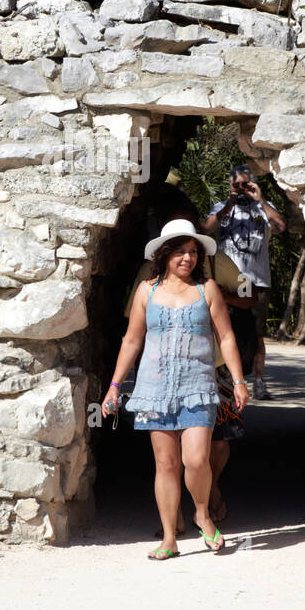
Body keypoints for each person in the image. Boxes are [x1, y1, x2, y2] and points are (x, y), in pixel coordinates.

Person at [104, 219, 249, 559]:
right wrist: (114, 386)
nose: (188, 258)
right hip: (154, 389)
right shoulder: (146, 290)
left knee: (197, 459)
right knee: (166, 464)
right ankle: (169, 538)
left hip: (198, 386)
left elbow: (226, 337)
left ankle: (201, 512)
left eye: (193, 252)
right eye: (181, 252)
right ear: (165, 254)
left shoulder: (207, 289)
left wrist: (239, 381)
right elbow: (132, 339)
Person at [203, 164, 286, 399]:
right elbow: (205, 229)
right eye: (236, 185)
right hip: (227, 281)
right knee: (220, 329)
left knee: (256, 334)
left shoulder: (264, 208)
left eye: (245, 185)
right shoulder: (221, 207)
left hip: (256, 280)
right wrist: (228, 204)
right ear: (230, 186)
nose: (241, 189)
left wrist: (260, 200)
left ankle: (258, 381)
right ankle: (224, 378)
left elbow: (280, 226)